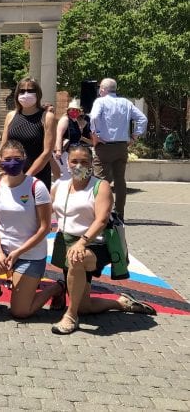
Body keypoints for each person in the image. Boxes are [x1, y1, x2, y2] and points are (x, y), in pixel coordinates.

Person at [50, 143, 156, 334]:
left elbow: (101, 220)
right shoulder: (59, 186)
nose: (79, 166)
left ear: (91, 163)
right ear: (67, 162)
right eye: (74, 161)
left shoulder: (101, 186)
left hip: (94, 245)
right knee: (84, 306)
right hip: (66, 243)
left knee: (77, 259)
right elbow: (45, 212)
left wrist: (82, 242)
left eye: (84, 162)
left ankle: (70, 317)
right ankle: (122, 303)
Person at [0, 139, 65, 317]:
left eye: (17, 159)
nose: (12, 163)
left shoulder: (36, 186)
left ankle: (57, 288)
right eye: (7, 159)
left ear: (24, 159)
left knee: (20, 312)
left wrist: (18, 252)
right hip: (4, 247)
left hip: (30, 253)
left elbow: (45, 228)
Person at [89, 78, 148, 221]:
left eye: (100, 88)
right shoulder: (126, 102)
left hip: (105, 145)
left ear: (103, 89)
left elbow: (94, 116)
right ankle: (119, 214)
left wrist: (95, 134)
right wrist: (134, 136)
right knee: (120, 180)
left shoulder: (100, 101)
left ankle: (101, 213)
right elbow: (143, 119)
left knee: (100, 180)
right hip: (122, 145)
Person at [1, 77, 56, 190]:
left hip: (37, 176)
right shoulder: (11, 116)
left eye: (30, 91)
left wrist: (27, 177)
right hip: (12, 175)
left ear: (38, 94)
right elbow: (3, 148)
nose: (26, 94)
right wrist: (5, 169)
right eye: (22, 91)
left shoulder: (47, 117)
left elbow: (47, 152)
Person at [53, 98, 91, 183]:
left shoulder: (75, 121)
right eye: (72, 109)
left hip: (72, 152)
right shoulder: (65, 119)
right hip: (64, 152)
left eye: (77, 110)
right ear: (68, 110)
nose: (75, 111)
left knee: (78, 174)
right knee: (68, 174)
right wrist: (58, 150)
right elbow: (59, 135)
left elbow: (78, 137)